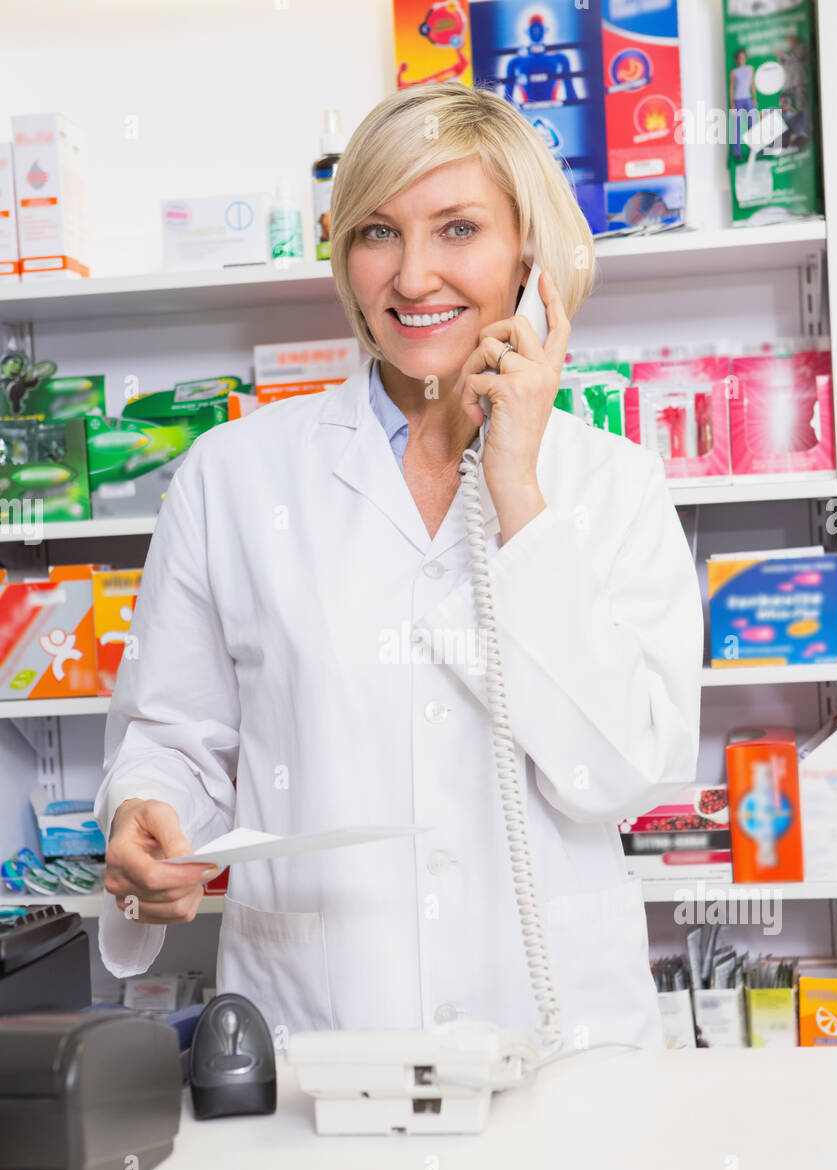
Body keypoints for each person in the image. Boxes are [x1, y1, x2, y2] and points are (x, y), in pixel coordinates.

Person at [96, 82, 703, 1050]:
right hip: (317, 1039)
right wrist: (148, 812)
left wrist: (516, 494)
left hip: (561, 1042)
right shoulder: (234, 477)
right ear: (344, 254)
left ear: (529, 258)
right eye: (378, 232)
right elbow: (175, 732)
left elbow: (623, 769)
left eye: (457, 229)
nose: (413, 276)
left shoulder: (613, 485)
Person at [729, 47, 758, 159]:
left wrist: (754, 99)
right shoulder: (734, 72)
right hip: (737, 100)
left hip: (748, 99)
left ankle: (754, 150)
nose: (741, 59)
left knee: (753, 124)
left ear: (745, 58)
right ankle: (737, 153)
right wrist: (732, 104)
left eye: (743, 57)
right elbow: (731, 88)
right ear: (737, 59)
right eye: (739, 58)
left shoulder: (750, 68)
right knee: (737, 126)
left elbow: (752, 84)